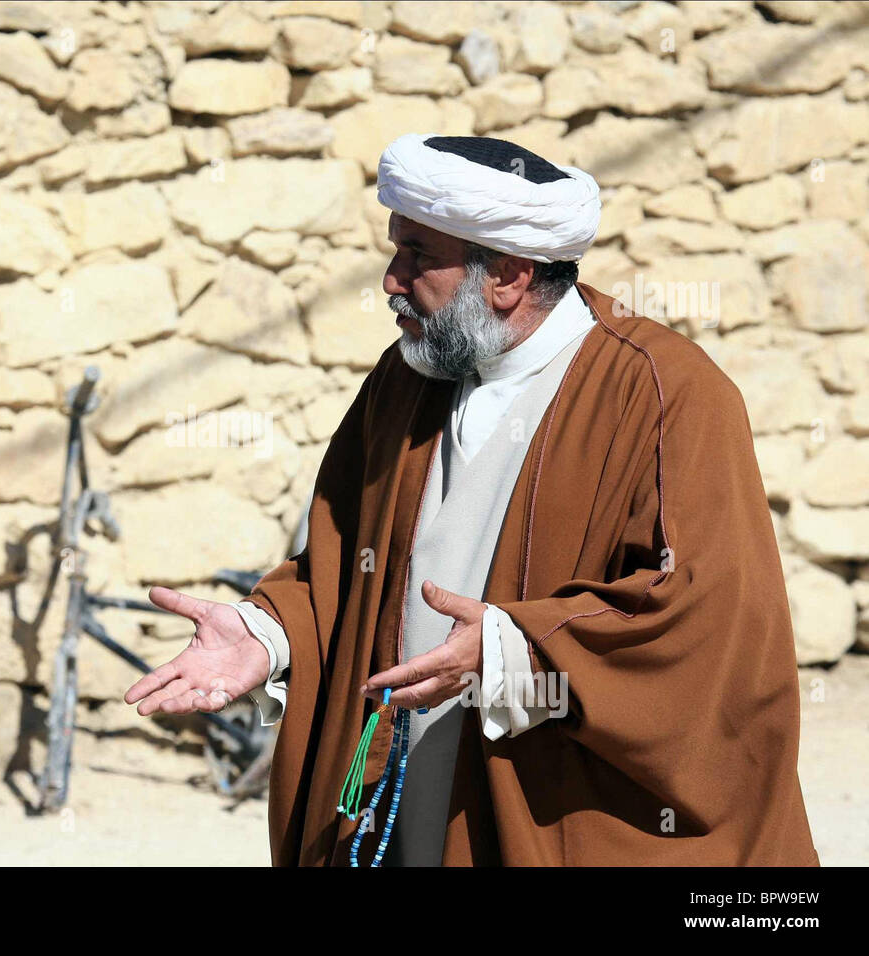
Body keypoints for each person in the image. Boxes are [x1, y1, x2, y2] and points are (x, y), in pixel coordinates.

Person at [126, 134, 818, 867]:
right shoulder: (406, 378)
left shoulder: (665, 394)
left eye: (419, 256)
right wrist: (267, 636)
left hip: (549, 818)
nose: (391, 281)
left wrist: (512, 651)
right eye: (397, 251)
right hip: (403, 808)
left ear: (511, 275)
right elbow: (343, 570)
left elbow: (708, 620)